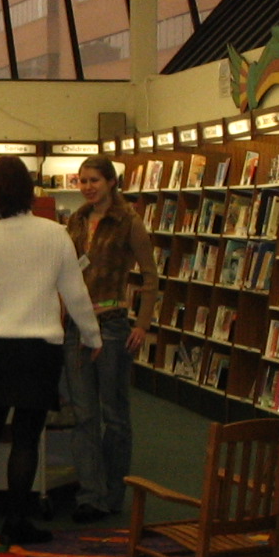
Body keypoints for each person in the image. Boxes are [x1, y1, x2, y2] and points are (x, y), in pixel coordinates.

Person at [0, 156, 101, 545]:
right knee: (26, 438)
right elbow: (75, 294)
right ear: (30, 191)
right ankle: (15, 522)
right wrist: (92, 337)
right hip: (39, 349)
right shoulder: (55, 235)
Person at [62, 155, 159, 523]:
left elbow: (150, 276)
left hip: (113, 324)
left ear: (111, 182)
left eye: (94, 180)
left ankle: (113, 494)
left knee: (114, 414)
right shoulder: (75, 221)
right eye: (82, 180)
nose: (87, 187)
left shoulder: (129, 222)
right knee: (83, 414)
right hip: (76, 325)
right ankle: (90, 495)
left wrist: (143, 324)